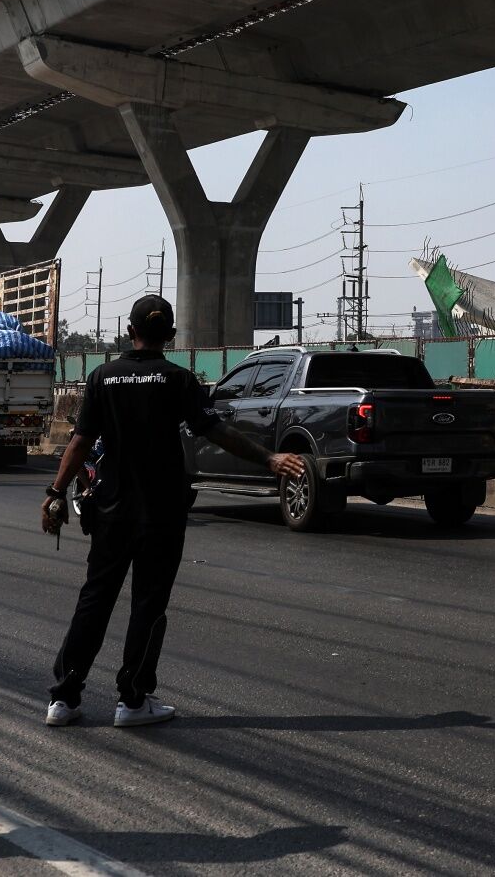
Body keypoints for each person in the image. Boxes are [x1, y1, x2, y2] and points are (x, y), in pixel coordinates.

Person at [40, 296, 305, 728]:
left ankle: (64, 698)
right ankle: (132, 701)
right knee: (148, 604)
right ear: (172, 336)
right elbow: (216, 430)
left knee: (94, 600)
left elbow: (81, 441)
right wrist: (270, 460)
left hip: (110, 510)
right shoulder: (177, 379)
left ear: (130, 331)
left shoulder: (102, 377)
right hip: (160, 513)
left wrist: (55, 492)